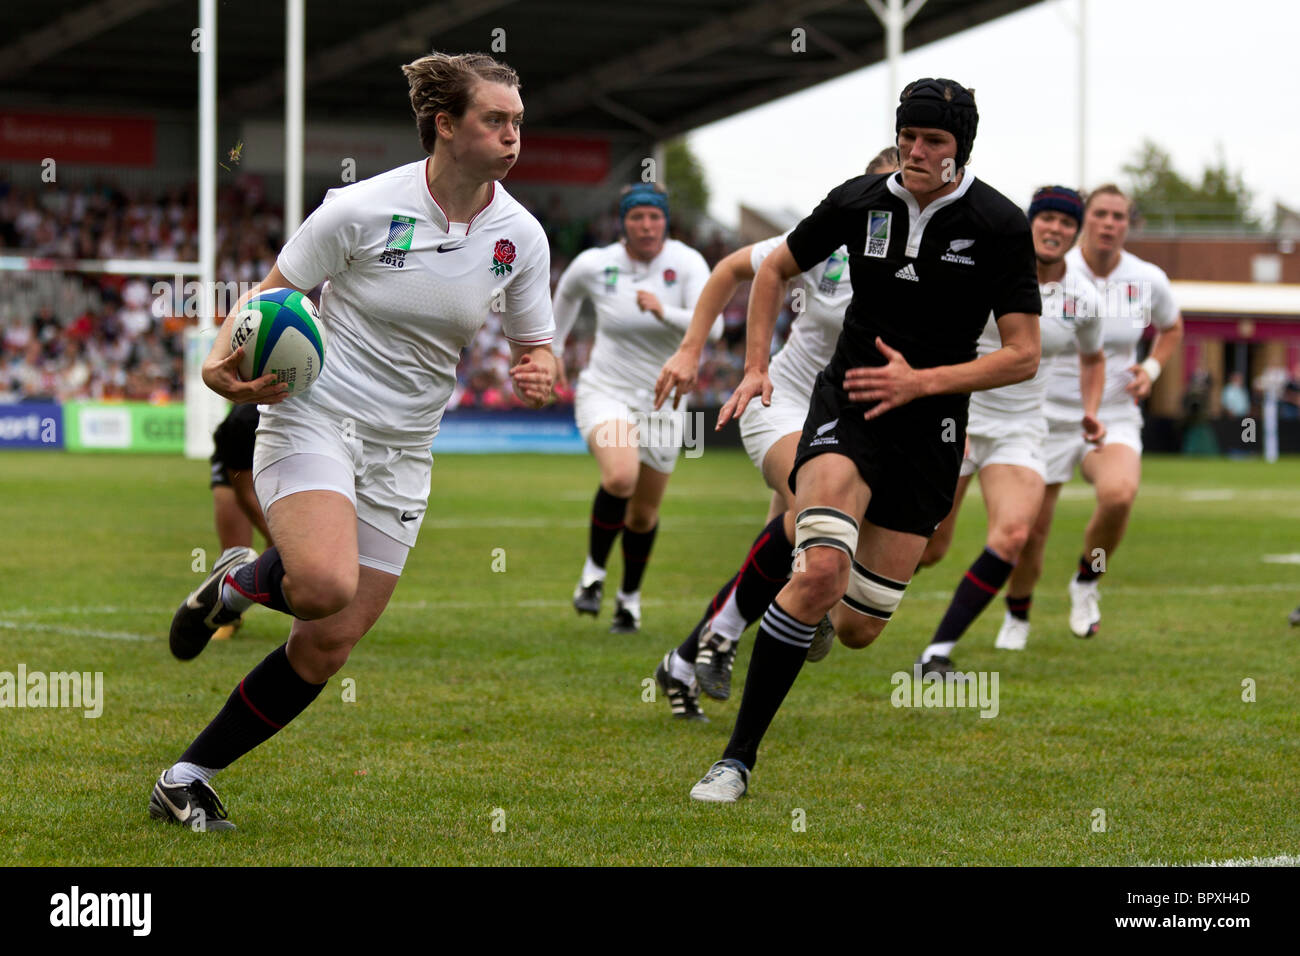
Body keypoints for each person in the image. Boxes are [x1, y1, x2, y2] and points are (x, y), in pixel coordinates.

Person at [150, 52, 557, 830]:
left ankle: (186, 774)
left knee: (326, 644)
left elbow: (533, 344)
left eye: (517, 122)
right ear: (446, 124)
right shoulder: (358, 209)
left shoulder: (521, 236)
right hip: (316, 416)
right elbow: (271, 297)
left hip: (406, 449)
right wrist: (215, 361)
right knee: (325, 584)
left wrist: (538, 367)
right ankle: (243, 583)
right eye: (495, 121)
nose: (512, 136)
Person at [687, 78, 1042, 802]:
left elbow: (1022, 353)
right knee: (817, 570)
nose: (915, 151)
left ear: (960, 148)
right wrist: (756, 367)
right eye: (907, 136)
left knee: (857, 628)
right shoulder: (860, 198)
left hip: (932, 432)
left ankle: (804, 618)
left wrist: (923, 383)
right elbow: (772, 267)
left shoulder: (1001, 224)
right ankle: (736, 759)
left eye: (932, 141)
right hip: (844, 408)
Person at [651, 146, 900, 721]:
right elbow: (732, 270)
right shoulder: (826, 240)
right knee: (816, 514)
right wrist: (692, 349)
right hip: (784, 402)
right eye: (885, 193)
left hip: (860, 419)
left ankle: (684, 662)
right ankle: (726, 637)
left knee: (789, 543)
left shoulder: (929, 259)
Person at [913, 186, 1105, 671]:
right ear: (1030, 222)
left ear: (1075, 233)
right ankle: (834, 588)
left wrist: (1092, 408)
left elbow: (1093, 358)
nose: (1055, 229)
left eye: (1067, 223)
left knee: (1015, 534)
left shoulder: (1082, 299)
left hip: (1021, 428)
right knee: (929, 546)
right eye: (1047, 219)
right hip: (956, 420)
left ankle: (937, 653)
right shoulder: (987, 267)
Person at [1003, 184, 1182, 639]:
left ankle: (1087, 581)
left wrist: (1152, 368)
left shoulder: (1148, 278)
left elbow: (1172, 327)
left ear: (1129, 224)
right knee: (1030, 531)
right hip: (1040, 415)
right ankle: (1017, 614)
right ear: (1085, 221)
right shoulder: (1053, 268)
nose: (1109, 223)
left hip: (1110, 415)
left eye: (1119, 216)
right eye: (1100, 214)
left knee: (1119, 494)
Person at [553, 184, 716, 634]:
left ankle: (629, 599)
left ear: (666, 222)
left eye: (654, 217)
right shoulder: (596, 263)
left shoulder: (686, 263)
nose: (646, 225)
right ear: (622, 222)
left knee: (643, 514)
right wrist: (552, 349)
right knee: (620, 476)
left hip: (664, 403)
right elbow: (564, 296)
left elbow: (715, 327)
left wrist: (666, 312)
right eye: (637, 217)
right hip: (605, 390)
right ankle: (592, 574)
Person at [207, 402, 274, 641]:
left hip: (286, 459)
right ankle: (227, 613)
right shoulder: (244, 420)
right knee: (236, 552)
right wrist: (275, 535)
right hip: (238, 462)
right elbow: (244, 492)